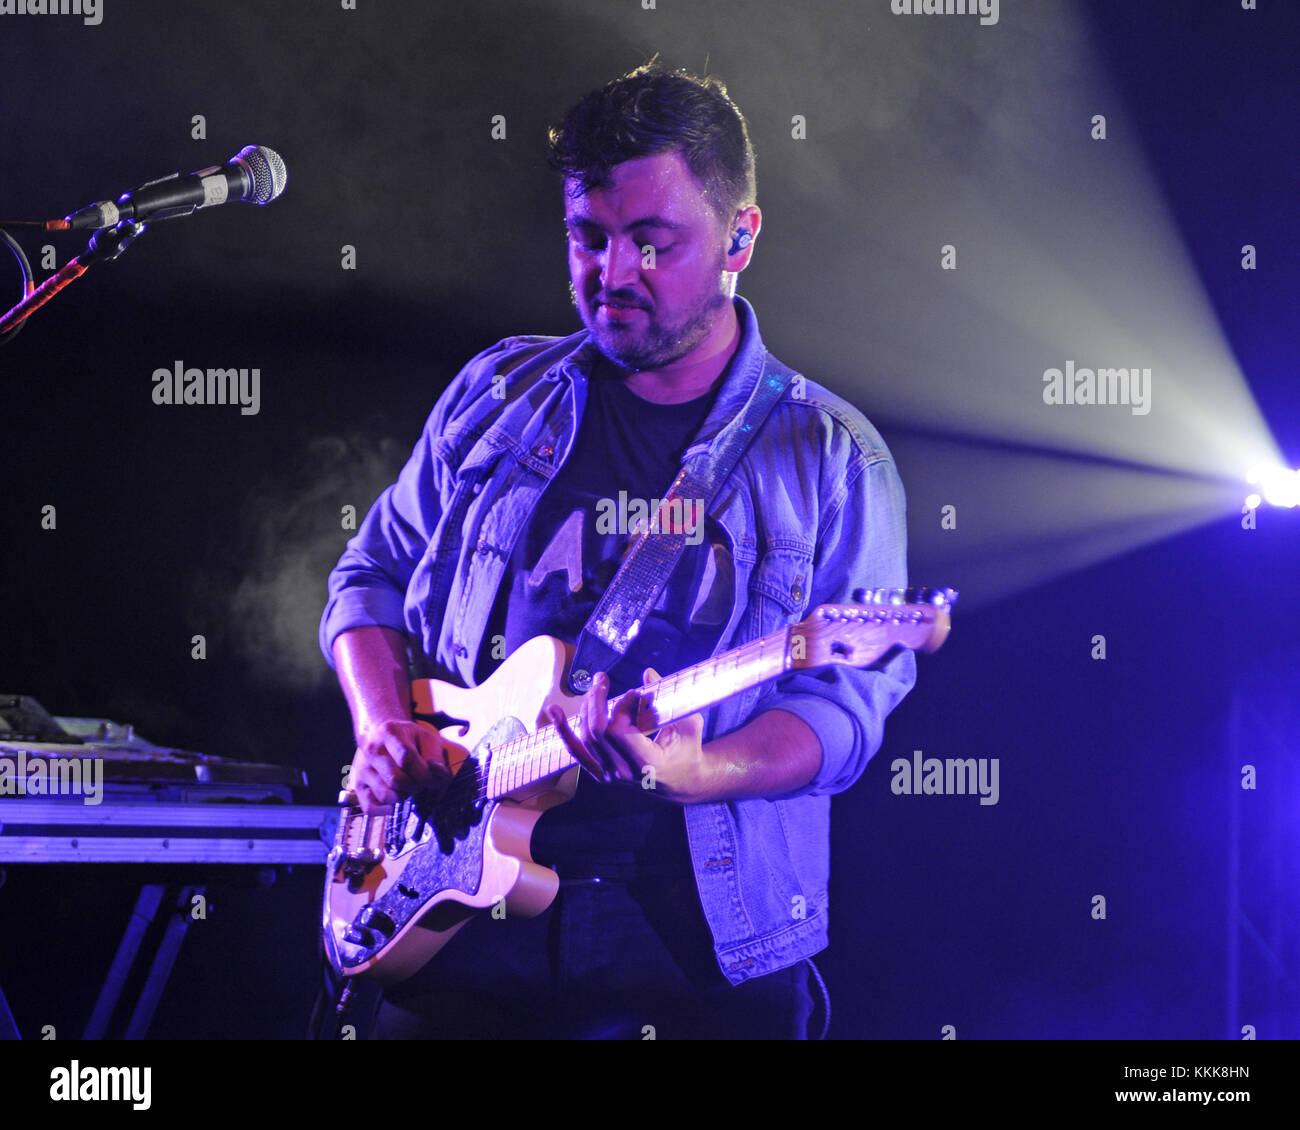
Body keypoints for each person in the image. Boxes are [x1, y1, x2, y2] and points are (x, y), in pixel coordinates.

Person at [318, 61, 916, 1040]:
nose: (614, 272)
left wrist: (695, 765)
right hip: (447, 901)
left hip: (688, 937)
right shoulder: (496, 392)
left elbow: (841, 714)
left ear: (739, 237)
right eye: (588, 238)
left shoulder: (831, 457)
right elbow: (369, 578)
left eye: (652, 240)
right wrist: (384, 724)